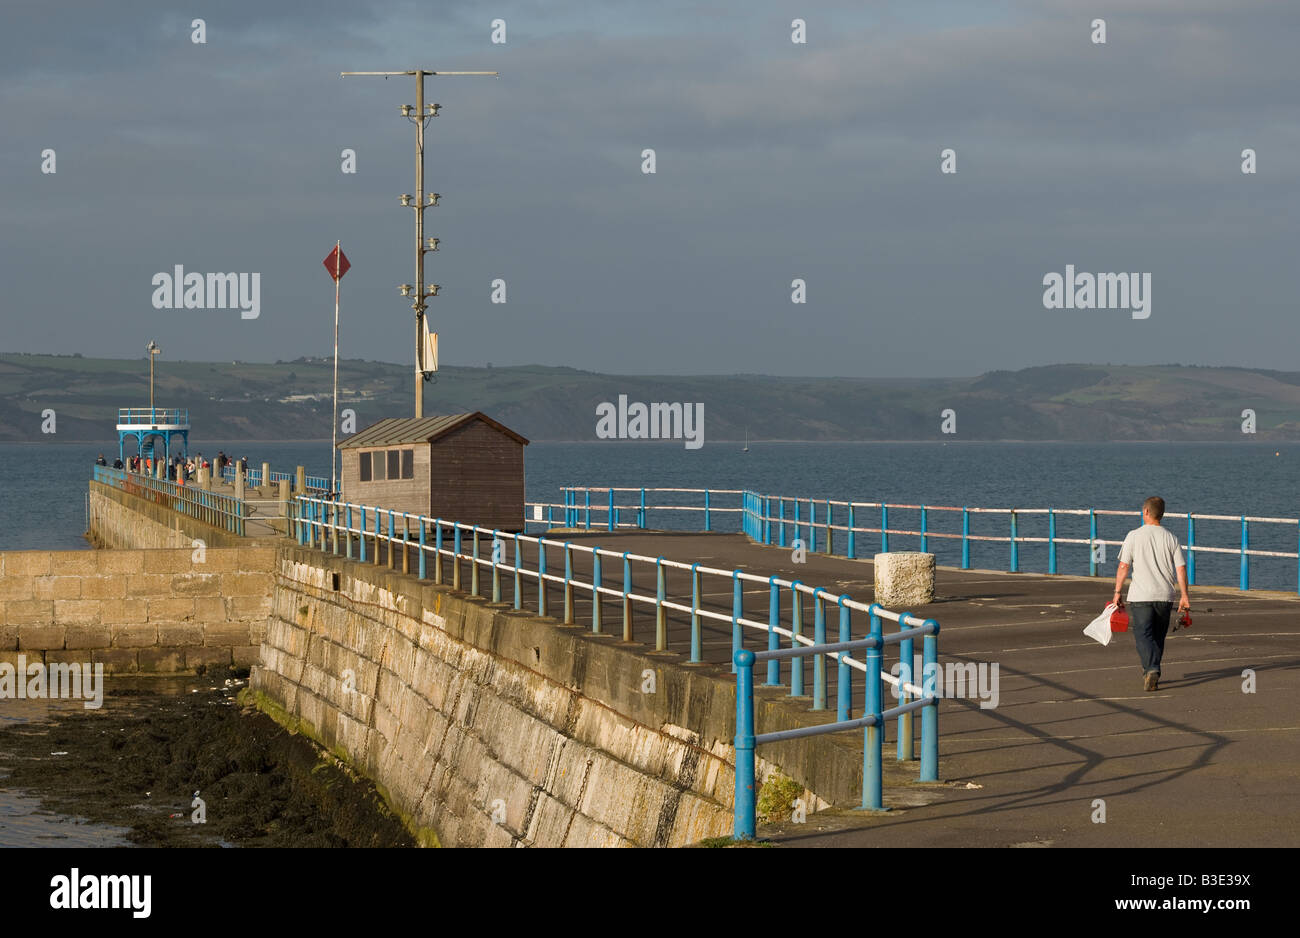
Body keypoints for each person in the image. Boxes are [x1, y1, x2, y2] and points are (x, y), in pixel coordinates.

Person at [1112, 496, 1191, 692]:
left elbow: (1123, 566)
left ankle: (1151, 668)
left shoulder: (1133, 535)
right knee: (1158, 636)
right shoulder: (1171, 538)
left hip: (1141, 595)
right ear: (1161, 514)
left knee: (1142, 634)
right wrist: (1185, 596)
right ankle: (1152, 670)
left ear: (1146, 512)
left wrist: (1117, 592)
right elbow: (1181, 569)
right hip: (1165, 595)